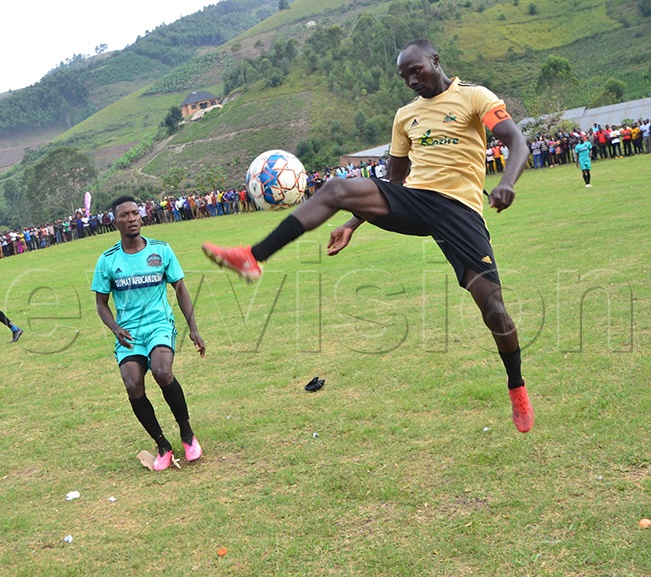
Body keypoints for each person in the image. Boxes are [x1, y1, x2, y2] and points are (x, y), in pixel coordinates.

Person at [202, 39, 534, 434]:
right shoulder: (405, 117)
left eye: (417, 70)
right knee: (338, 189)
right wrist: (352, 223)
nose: (412, 80)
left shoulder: (475, 96)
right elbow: (393, 182)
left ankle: (516, 385)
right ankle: (253, 256)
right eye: (404, 76)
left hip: (460, 212)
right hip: (416, 200)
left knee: (494, 309)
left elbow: (518, 141)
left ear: (436, 60)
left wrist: (507, 182)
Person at [92, 196, 207, 470]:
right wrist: (115, 328)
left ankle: (188, 435)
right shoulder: (108, 261)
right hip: (129, 332)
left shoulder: (162, 250)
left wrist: (193, 329)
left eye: (135, 213)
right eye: (124, 215)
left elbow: (180, 288)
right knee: (132, 384)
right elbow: (100, 303)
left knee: (162, 371)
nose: (131, 218)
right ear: (114, 221)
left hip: (159, 324)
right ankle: (162, 445)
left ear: (141, 217)